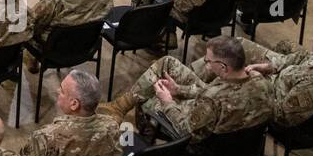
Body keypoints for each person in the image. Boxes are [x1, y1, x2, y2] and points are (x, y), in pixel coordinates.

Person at [99, 36, 273, 142]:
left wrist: (167, 101)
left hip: (206, 141)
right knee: (167, 63)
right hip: (237, 133)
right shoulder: (261, 80)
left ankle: (144, 133)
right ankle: (119, 106)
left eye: (209, 61)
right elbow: (211, 94)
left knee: (149, 96)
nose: (206, 64)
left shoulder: (213, 98)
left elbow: (186, 129)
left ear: (223, 67)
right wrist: (178, 90)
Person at [17, 70, 121, 156]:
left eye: (62, 91)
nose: (57, 91)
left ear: (74, 104)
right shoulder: (112, 127)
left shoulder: (46, 138)